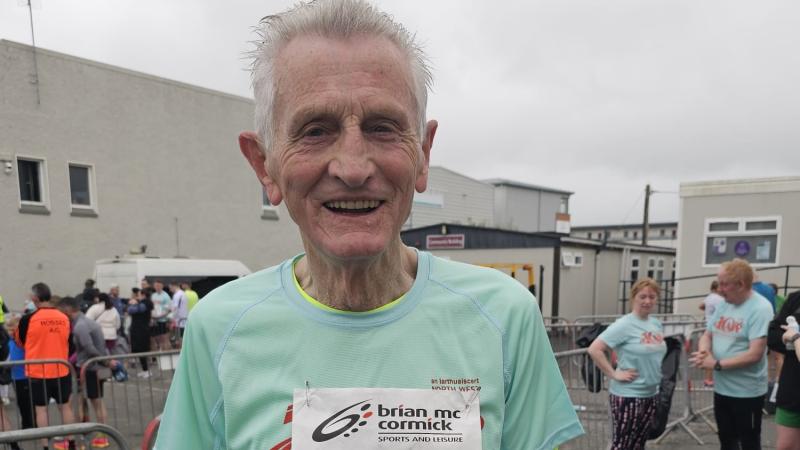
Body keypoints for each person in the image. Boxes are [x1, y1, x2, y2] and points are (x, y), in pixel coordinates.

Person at [155, 1, 584, 448]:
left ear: (423, 153)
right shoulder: (220, 328)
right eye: (315, 130)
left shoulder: (503, 316)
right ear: (264, 165)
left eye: (382, 127)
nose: (353, 167)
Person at [689, 259, 773, 450]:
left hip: (747, 392)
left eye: (724, 284)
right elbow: (707, 334)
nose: (719, 288)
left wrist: (716, 364)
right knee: (726, 441)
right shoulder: (724, 304)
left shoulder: (760, 308)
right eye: (718, 282)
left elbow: (755, 354)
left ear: (741, 285)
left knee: (749, 442)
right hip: (722, 389)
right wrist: (704, 352)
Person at [587, 278, 666, 450]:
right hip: (628, 396)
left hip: (650, 394)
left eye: (652, 297)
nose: (647, 301)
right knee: (622, 445)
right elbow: (595, 349)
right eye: (642, 296)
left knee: (639, 444)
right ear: (633, 298)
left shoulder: (655, 323)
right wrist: (613, 374)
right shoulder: (624, 324)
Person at [15, 284, 76, 450]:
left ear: (35, 299)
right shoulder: (64, 318)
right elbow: (71, 345)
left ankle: (45, 446)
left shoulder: (28, 319)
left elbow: (20, 343)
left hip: (38, 372)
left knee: (41, 410)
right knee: (65, 407)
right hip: (61, 369)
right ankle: (71, 443)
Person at [58, 296, 113, 449]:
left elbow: (89, 348)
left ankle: (96, 437)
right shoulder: (85, 323)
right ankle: (86, 436)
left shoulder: (81, 325)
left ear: (68, 310)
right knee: (87, 403)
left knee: (92, 403)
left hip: (90, 369)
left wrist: (104, 361)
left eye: (62, 312)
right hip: (90, 368)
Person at [767, 290, 800, 450]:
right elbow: (773, 334)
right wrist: (786, 339)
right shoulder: (795, 298)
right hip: (792, 389)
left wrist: (795, 338)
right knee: (785, 446)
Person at [700, 280, 725, 386]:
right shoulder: (719, 299)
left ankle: (708, 378)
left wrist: (708, 312)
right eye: (720, 286)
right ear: (715, 288)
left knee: (709, 352)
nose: (723, 289)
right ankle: (710, 378)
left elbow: (701, 306)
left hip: (707, 325)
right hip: (716, 328)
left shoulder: (709, 297)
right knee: (715, 354)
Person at [127, 288, 153, 378]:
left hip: (141, 330)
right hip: (139, 330)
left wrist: (133, 304)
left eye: (139, 295)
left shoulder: (145, 303)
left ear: (143, 295)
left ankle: (146, 370)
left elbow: (131, 310)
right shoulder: (144, 303)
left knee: (142, 350)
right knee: (140, 350)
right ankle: (144, 369)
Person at [149, 280, 172, 351]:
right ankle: (158, 355)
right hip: (155, 320)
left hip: (163, 320)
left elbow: (169, 309)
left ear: (162, 286)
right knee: (155, 338)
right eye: (156, 286)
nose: (157, 287)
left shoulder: (166, 296)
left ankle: (166, 354)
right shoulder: (153, 295)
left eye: (158, 286)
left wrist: (161, 316)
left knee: (164, 338)